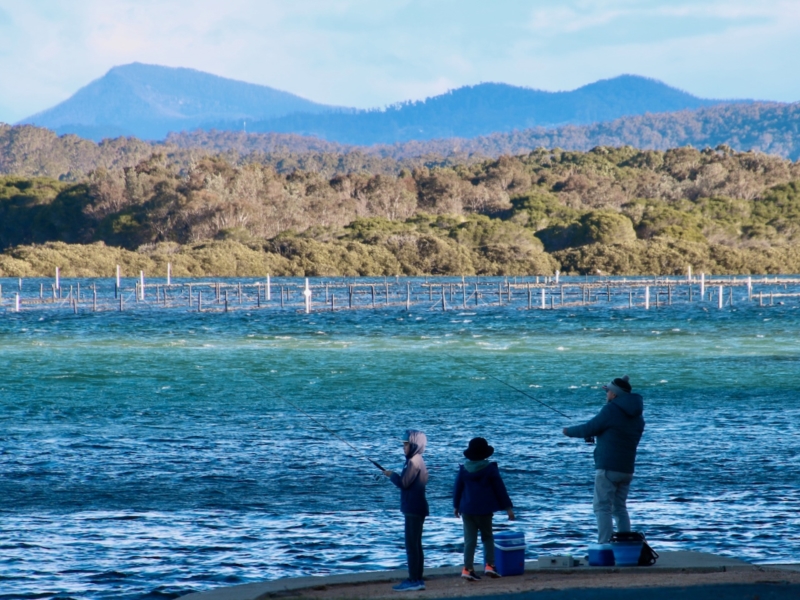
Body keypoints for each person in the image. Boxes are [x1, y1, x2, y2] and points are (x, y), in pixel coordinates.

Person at [562, 375, 645, 543]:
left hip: (608, 468)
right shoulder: (637, 416)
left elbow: (589, 428)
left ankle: (605, 546)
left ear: (614, 394)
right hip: (627, 469)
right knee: (620, 508)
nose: (606, 395)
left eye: (607, 391)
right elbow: (615, 431)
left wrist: (567, 431)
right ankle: (625, 544)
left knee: (602, 507)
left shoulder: (611, 410)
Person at [453, 437, 515, 581]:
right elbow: (500, 489)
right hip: (485, 510)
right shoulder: (490, 469)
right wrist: (508, 508)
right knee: (487, 537)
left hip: (467, 509)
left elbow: (457, 489)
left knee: (470, 540)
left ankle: (467, 569)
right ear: (485, 454)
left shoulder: (463, 470)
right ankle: (490, 566)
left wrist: (456, 506)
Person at [383, 429, 429, 592]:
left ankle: (414, 580)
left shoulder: (413, 462)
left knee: (411, 545)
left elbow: (404, 483)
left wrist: (392, 475)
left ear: (415, 445)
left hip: (413, 508)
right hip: (417, 507)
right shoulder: (419, 460)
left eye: (406, 444)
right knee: (416, 544)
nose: (404, 447)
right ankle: (417, 578)